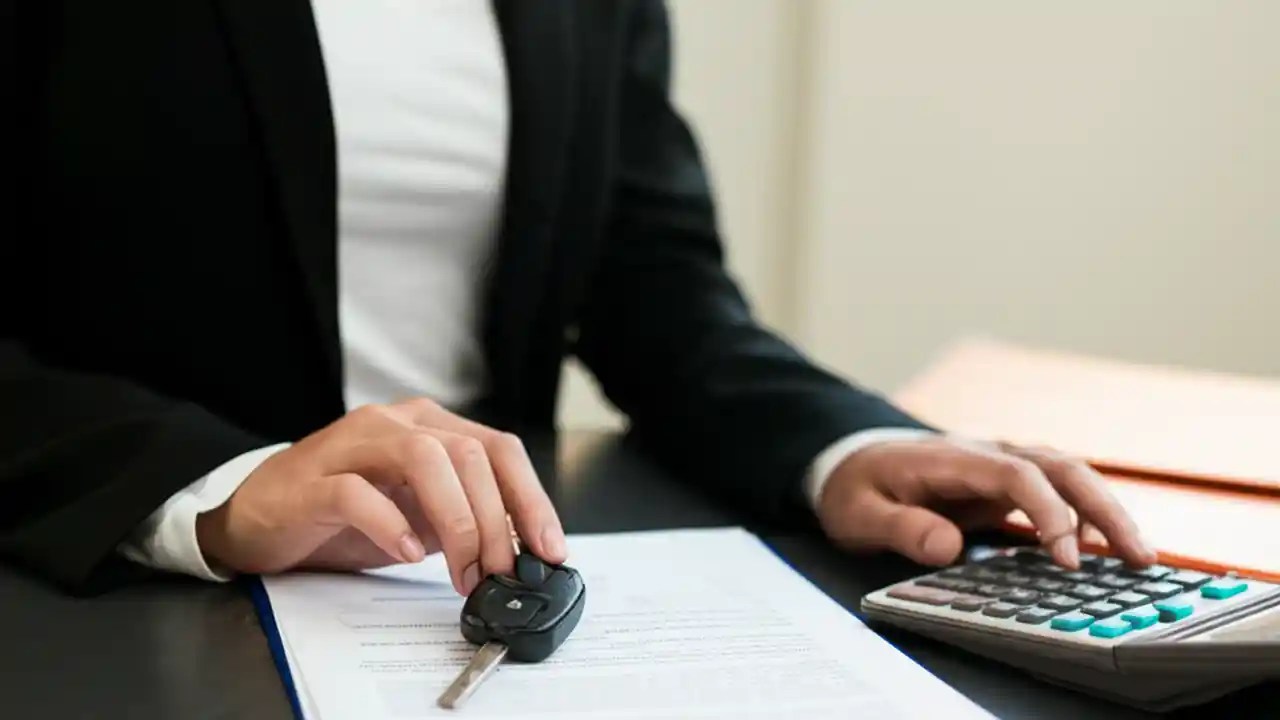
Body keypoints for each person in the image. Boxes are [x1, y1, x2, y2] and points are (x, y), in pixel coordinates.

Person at [1, 0, 1154, 597]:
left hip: (469, 600)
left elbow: (654, 289)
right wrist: (219, 490)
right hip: (105, 587)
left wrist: (841, 445)